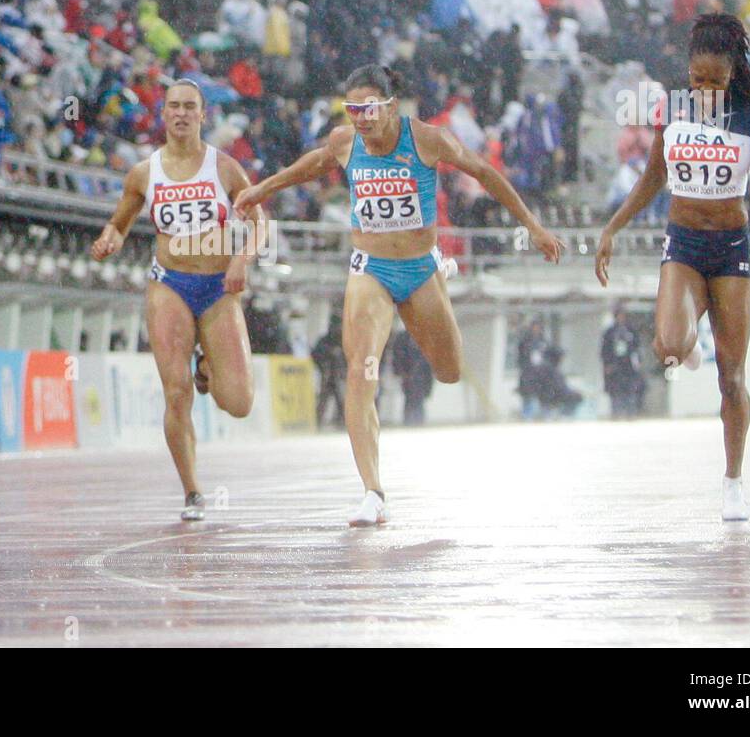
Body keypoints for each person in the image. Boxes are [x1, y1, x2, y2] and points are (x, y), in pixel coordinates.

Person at [235, 64, 564, 526]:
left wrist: (533, 226)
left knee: (449, 370)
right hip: (370, 268)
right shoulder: (344, 142)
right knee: (360, 370)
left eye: (369, 108)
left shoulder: (427, 139)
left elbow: (484, 173)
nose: (361, 118)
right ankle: (372, 491)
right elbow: (311, 165)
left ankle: (439, 276)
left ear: (390, 106)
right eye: (352, 109)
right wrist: (262, 189)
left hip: (420, 268)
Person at [596, 13, 750, 521]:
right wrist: (612, 228)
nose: (706, 91)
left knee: (732, 377)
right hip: (685, 243)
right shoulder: (671, 109)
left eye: (715, 82)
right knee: (669, 347)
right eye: (697, 81)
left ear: (733, 73)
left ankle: (733, 481)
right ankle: (688, 345)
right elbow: (653, 178)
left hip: (732, 249)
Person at [90, 80, 266, 521]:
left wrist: (243, 259)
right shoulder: (144, 173)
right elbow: (120, 223)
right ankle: (192, 492)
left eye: (191, 107)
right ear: (163, 114)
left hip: (217, 290)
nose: (182, 114)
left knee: (239, 402)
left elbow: (262, 223)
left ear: (203, 116)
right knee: (175, 392)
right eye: (174, 107)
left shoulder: (224, 168)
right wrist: (108, 238)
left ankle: (208, 365)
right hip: (168, 283)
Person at [601, 306, 646, 419]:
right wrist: (607, 364)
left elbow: (637, 348)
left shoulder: (631, 331)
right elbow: (605, 350)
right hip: (615, 367)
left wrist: (638, 362)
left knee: (630, 390)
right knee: (616, 392)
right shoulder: (610, 333)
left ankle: (631, 414)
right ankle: (616, 414)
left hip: (629, 367)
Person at [312, 314, 346, 430]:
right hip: (327, 375)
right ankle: (317, 423)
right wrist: (328, 356)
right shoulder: (325, 341)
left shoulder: (342, 340)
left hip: (338, 375)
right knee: (323, 401)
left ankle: (341, 423)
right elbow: (316, 354)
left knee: (340, 401)